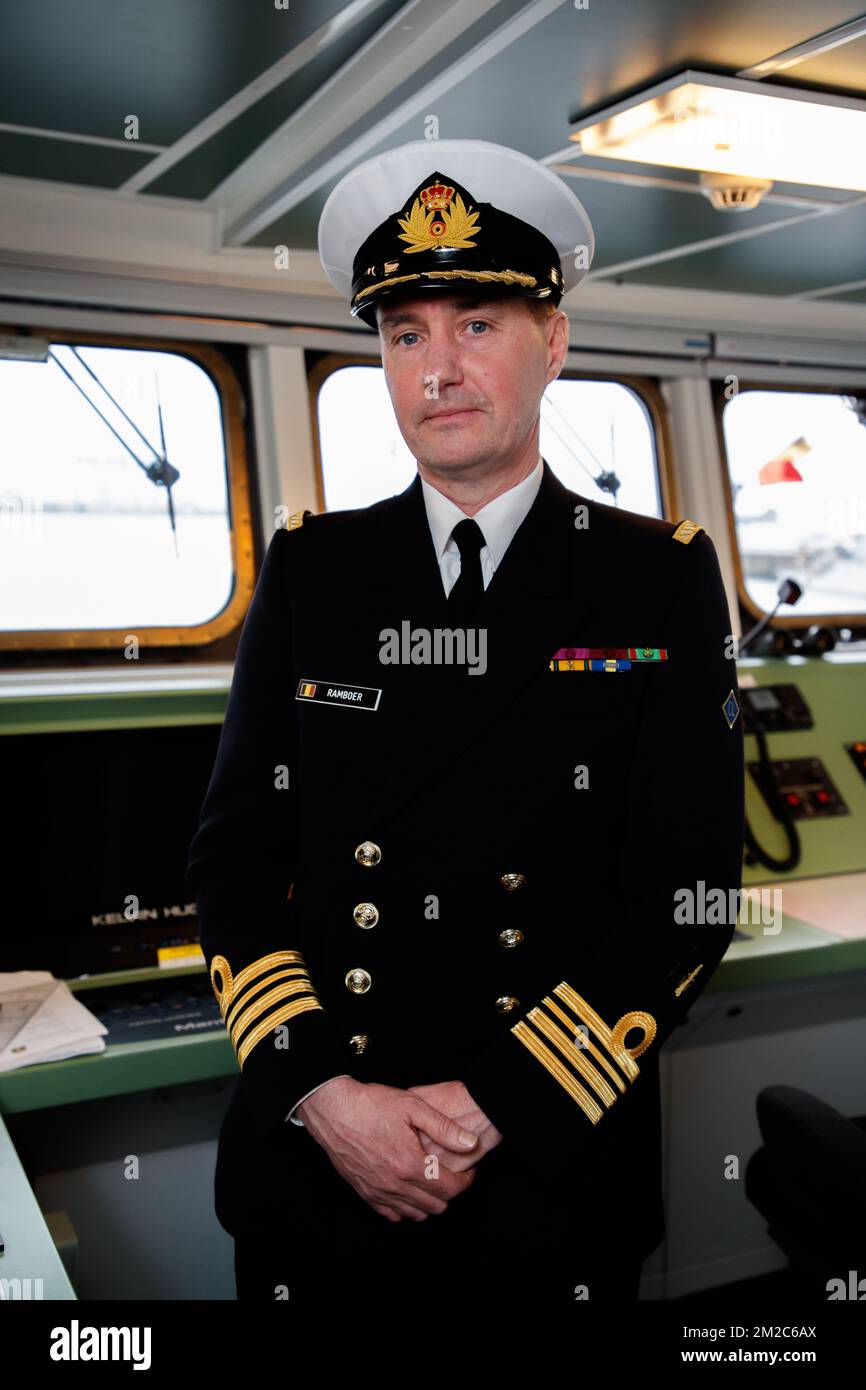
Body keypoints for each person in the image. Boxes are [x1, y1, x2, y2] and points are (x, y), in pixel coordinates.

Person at [186, 138, 745, 1303]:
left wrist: (497, 1100)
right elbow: (234, 865)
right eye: (403, 335)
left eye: (477, 324)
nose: (436, 368)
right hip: (320, 1168)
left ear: (554, 342)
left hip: (541, 1171)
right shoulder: (309, 572)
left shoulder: (652, 582)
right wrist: (325, 1096)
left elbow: (687, 890)